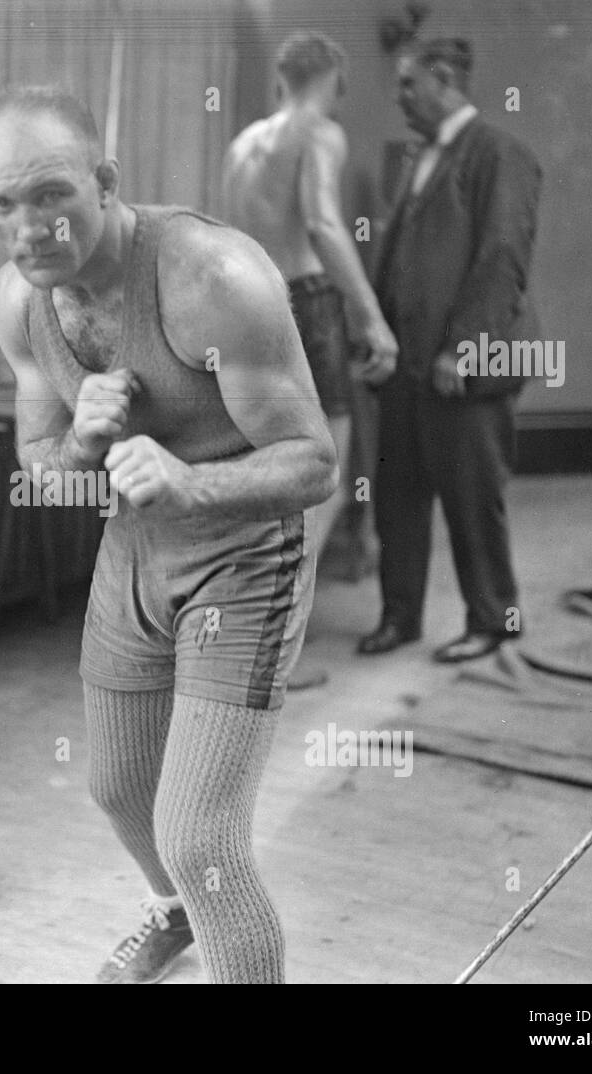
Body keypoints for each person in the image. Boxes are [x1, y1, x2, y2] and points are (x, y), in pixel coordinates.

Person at [0, 85, 337, 983]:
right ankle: (172, 917)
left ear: (104, 181)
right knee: (119, 787)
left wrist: (191, 481)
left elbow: (314, 464)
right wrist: (82, 443)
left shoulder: (212, 277)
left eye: (52, 194)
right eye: (1, 204)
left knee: (199, 838)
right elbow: (43, 469)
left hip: (247, 557)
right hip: (133, 551)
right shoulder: (19, 300)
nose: (29, 229)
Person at [222, 31, 398, 687]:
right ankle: (269, 650)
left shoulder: (243, 144)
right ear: (337, 80)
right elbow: (323, 224)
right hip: (305, 301)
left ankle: (237, 638)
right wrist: (370, 315)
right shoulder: (321, 133)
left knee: (264, 475)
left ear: (281, 80)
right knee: (325, 475)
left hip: (246, 305)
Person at [359, 38, 542, 662]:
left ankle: (494, 619)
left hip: (464, 369)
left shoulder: (500, 152)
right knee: (397, 498)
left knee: (472, 500)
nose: (398, 96)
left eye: (407, 84)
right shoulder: (420, 156)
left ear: (443, 80)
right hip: (405, 366)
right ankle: (400, 618)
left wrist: (463, 349)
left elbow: (503, 259)